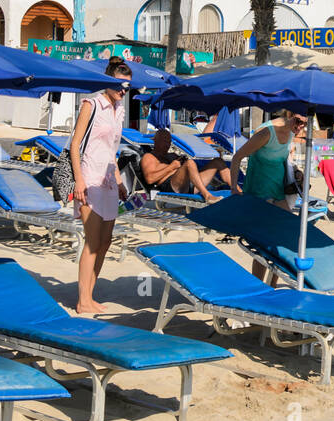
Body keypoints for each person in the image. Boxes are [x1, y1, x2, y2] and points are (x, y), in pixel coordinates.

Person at [70, 57, 131, 315]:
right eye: (119, 84)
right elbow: (75, 145)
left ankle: (90, 296)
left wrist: (119, 181)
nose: (123, 90)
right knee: (92, 242)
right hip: (89, 179)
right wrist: (79, 180)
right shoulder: (91, 104)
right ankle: (82, 300)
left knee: (105, 242)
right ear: (107, 80)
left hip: (107, 181)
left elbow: (111, 151)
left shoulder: (120, 110)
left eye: (127, 86)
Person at [229, 112, 308, 208]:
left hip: (278, 189)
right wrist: (234, 187)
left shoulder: (291, 131)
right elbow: (237, 157)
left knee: (287, 221)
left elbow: (283, 155)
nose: (301, 126)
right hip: (259, 192)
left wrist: (296, 170)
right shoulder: (266, 133)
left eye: (305, 123)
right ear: (289, 115)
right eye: (298, 121)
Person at [140, 129, 230, 203]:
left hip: (188, 185)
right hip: (171, 187)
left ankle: (238, 192)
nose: (167, 144)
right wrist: (171, 167)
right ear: (155, 140)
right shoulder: (149, 157)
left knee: (218, 161)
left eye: (168, 141)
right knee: (189, 163)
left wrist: (181, 162)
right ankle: (207, 196)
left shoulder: (172, 155)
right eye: (164, 141)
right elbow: (150, 179)